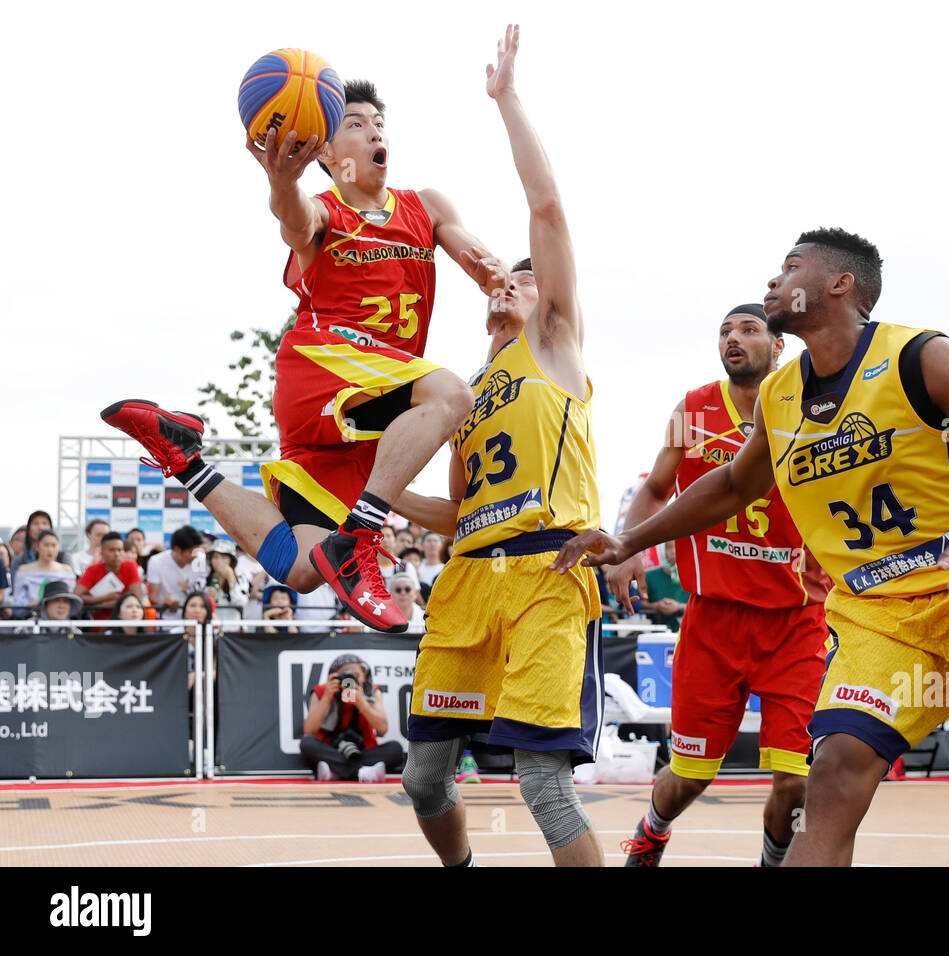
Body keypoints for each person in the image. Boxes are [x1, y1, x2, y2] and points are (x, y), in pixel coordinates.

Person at [555, 226, 949, 867]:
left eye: (788, 268)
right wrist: (627, 541)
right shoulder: (780, 398)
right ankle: (670, 829)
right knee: (830, 774)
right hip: (880, 618)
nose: (771, 283)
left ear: (840, 284)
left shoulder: (919, 357)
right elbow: (730, 485)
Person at [100, 67, 509, 636]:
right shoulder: (322, 208)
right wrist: (280, 180)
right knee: (452, 394)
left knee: (301, 567)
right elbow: (293, 219)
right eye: (356, 124)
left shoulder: (425, 206)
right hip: (326, 367)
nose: (373, 133)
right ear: (325, 150)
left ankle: (184, 458)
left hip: (369, 403)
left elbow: (473, 252)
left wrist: (492, 275)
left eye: (379, 124)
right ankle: (360, 538)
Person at [395, 26, 603, 867]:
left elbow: (546, 209)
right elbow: (455, 507)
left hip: (550, 571)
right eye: (503, 278)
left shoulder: (552, 340)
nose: (509, 284)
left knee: (542, 784)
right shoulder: (461, 394)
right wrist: (364, 494)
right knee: (422, 780)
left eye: (523, 277)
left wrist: (507, 100)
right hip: (469, 575)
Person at [605, 303, 831, 868]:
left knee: (795, 780)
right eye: (725, 331)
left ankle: (772, 861)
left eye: (749, 329)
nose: (733, 338)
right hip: (714, 619)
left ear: (780, 345)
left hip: (797, 621)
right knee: (688, 777)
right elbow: (656, 489)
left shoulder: (816, 407)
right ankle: (652, 830)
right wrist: (628, 544)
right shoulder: (693, 409)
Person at [302, 654, 403, 782]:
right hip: (331, 750)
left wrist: (361, 702)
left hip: (362, 751)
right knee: (307, 743)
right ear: (333, 676)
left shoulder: (371, 692)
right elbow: (309, 730)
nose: (350, 679)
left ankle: (335, 772)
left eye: (356, 675)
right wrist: (327, 697)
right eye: (345, 674)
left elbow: (382, 729)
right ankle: (362, 772)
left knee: (395, 749)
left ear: (364, 676)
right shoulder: (321, 691)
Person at [75, 531, 145, 621]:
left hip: (125, 624)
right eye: (112, 550)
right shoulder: (93, 569)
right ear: (102, 552)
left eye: (120, 550)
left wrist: (101, 605)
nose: (116, 554)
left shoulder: (130, 566)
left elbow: (135, 596)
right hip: (98, 625)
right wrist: (106, 598)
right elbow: (77, 596)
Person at [11, 531, 77, 617]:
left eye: (54, 545)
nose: (50, 549)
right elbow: (18, 603)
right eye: (46, 545)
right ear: (37, 547)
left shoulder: (66, 570)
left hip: (59, 619)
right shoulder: (23, 570)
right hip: (30, 619)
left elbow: (70, 598)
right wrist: (34, 604)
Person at [147, 526, 208, 618]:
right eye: (191, 552)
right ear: (177, 549)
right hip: (166, 622)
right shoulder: (156, 561)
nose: (195, 556)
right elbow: (153, 597)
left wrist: (189, 591)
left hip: (195, 621)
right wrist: (165, 602)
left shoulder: (201, 562)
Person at [641, 540, 690, 631]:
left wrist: (679, 607)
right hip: (658, 632)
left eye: (677, 546)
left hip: (689, 630)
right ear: (661, 550)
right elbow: (641, 603)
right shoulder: (649, 575)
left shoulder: (694, 574)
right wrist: (657, 606)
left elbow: (703, 606)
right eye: (668, 547)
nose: (673, 551)